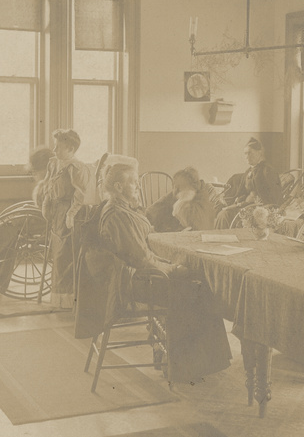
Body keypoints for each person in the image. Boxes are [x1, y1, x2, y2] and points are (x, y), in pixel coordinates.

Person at [86, 163, 231, 383]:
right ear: (118, 186)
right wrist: (173, 269)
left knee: (193, 282)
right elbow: (141, 259)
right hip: (131, 284)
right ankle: (187, 367)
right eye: (133, 182)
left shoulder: (123, 209)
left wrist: (171, 266)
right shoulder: (118, 215)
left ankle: (191, 362)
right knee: (198, 289)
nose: (138, 186)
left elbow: (142, 253)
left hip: (137, 275)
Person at [40, 129, 92, 308]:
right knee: (57, 254)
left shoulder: (77, 167)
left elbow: (80, 193)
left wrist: (71, 214)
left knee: (65, 255)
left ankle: (68, 299)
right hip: (56, 211)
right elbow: (48, 184)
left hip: (70, 213)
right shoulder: (54, 164)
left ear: (70, 149)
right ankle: (58, 299)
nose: (54, 150)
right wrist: (46, 202)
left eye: (59, 147)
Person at [216, 137, 283, 229]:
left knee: (225, 215)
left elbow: (274, 197)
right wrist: (239, 201)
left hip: (259, 209)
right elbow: (242, 191)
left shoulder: (267, 170)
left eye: (250, 153)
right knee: (221, 211)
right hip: (246, 206)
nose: (247, 156)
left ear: (259, 152)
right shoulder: (249, 171)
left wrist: (248, 203)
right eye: (245, 153)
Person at [146, 166, 217, 232]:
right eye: (174, 186)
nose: (175, 190)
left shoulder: (203, 195)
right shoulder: (172, 196)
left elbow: (203, 225)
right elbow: (149, 213)